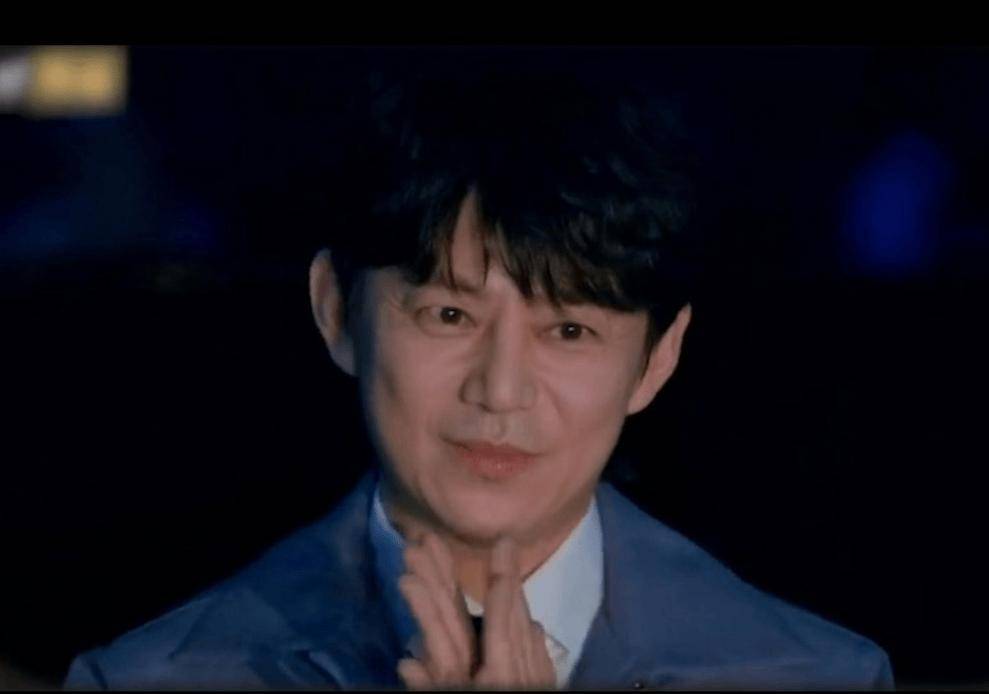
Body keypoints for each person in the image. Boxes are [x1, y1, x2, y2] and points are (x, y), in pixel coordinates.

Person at [64, 62, 894, 690]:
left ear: (657, 360)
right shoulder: (151, 678)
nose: (499, 390)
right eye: (448, 316)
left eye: (568, 331)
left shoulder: (815, 675)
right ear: (336, 310)